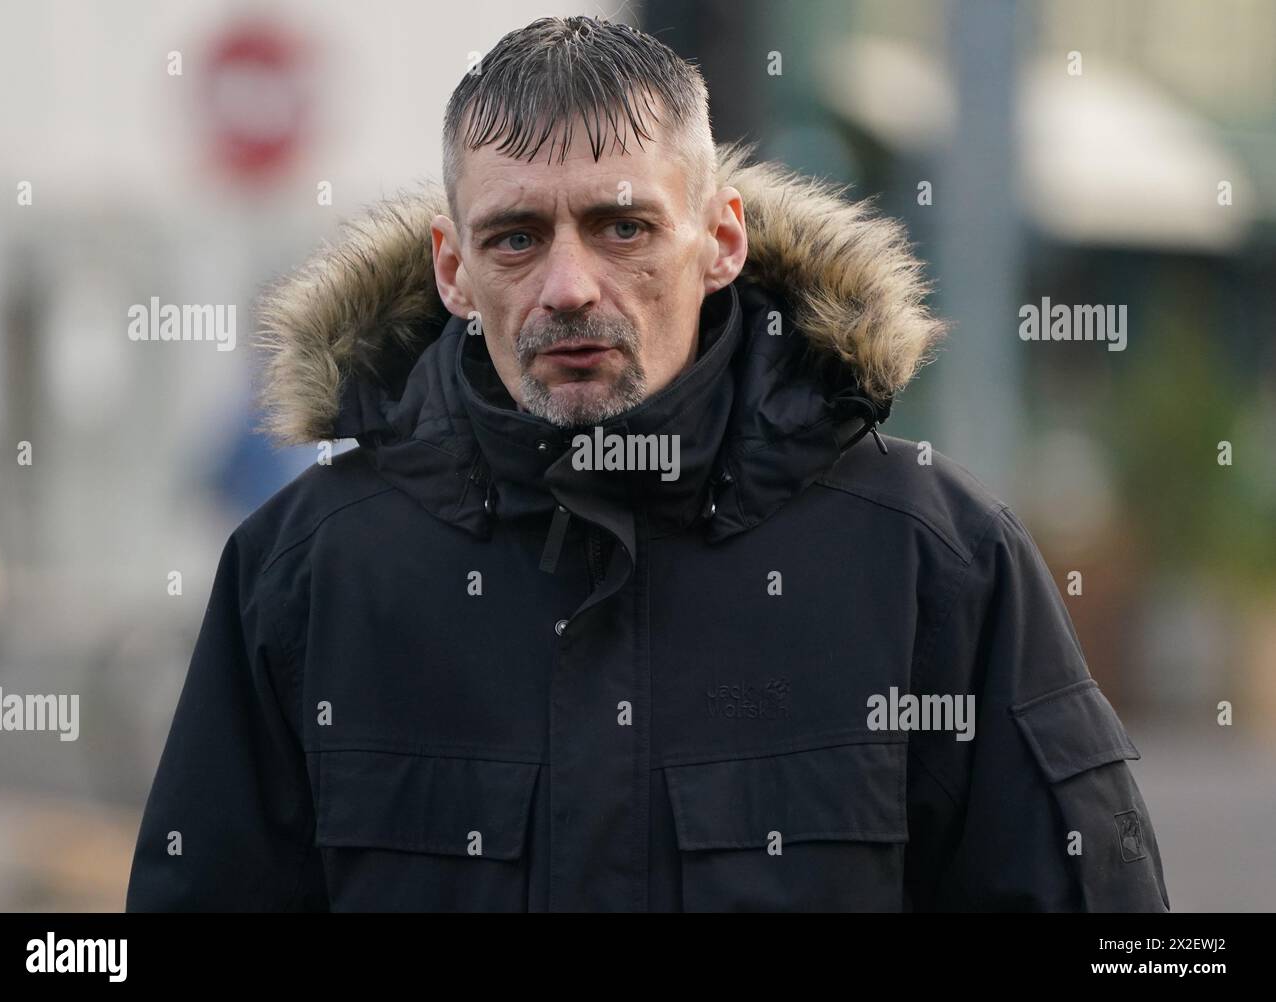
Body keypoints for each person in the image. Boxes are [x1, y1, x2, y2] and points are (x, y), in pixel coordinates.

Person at [125, 15, 1169, 912]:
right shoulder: (305, 573)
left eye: (622, 225)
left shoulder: (935, 563)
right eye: (516, 238)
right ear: (453, 267)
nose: (570, 285)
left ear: (721, 239)